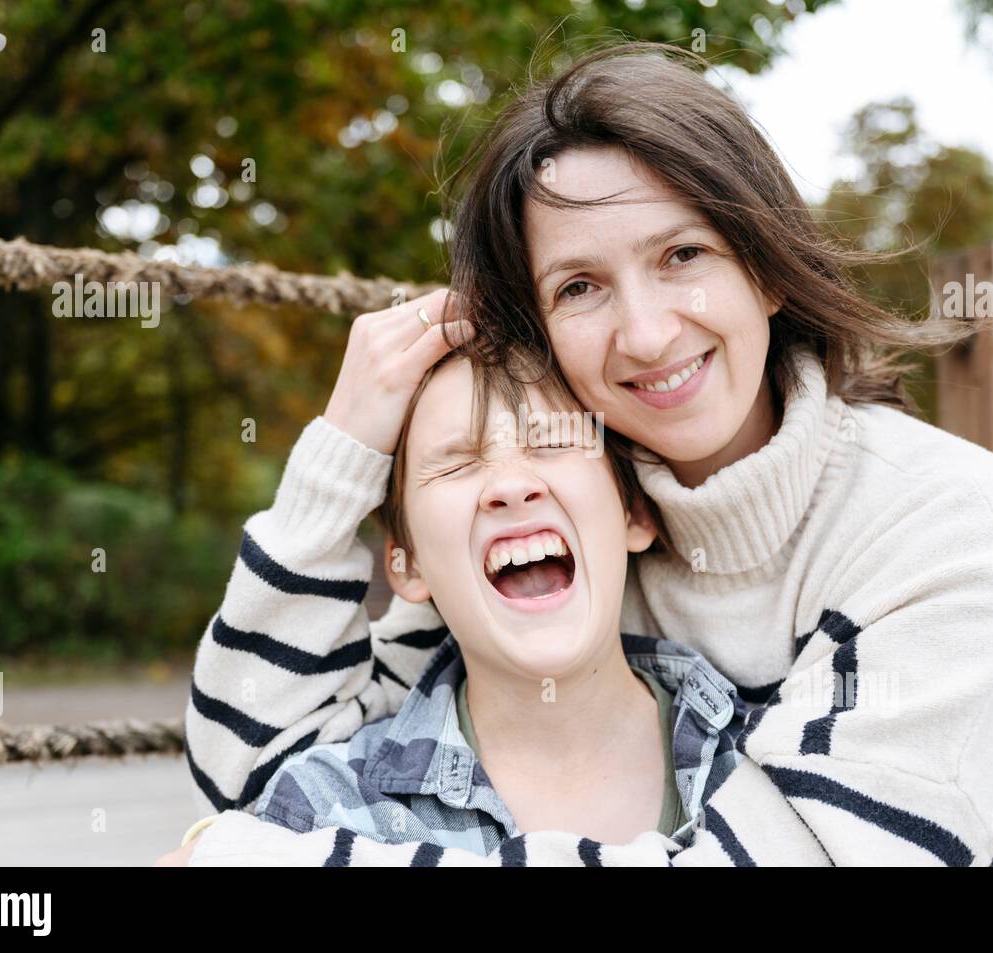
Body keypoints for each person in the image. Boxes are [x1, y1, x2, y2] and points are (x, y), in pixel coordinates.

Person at [176, 40, 993, 866]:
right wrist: (342, 449)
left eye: (683, 256)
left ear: (766, 265)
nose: (647, 331)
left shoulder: (957, 524)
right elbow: (258, 772)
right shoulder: (560, 529)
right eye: (580, 286)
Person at [169, 344, 829, 866]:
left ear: (633, 512)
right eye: (456, 464)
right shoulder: (323, 806)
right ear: (408, 563)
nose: (511, 485)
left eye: (554, 442)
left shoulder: (783, 763)